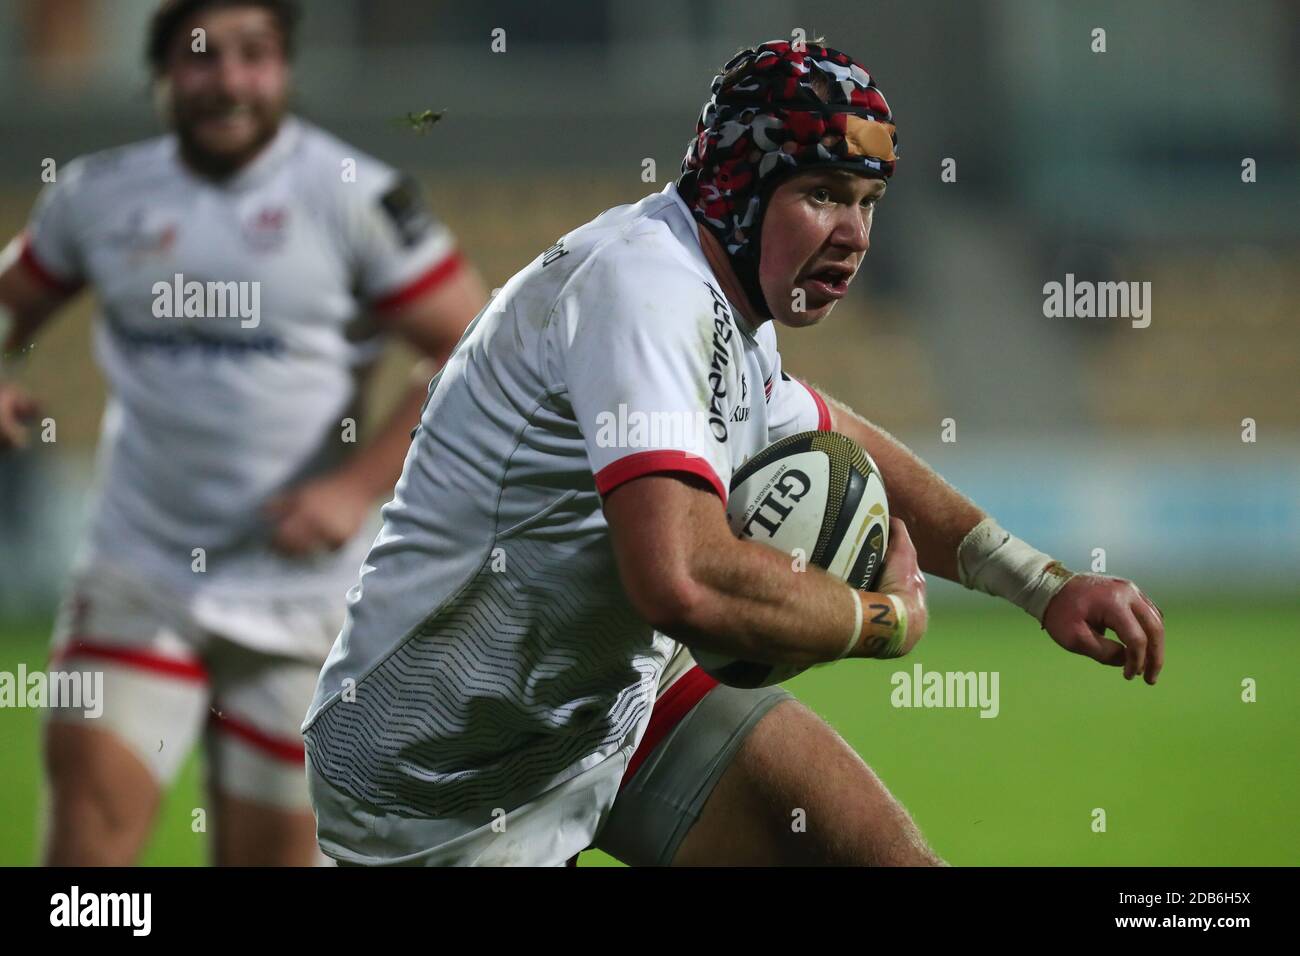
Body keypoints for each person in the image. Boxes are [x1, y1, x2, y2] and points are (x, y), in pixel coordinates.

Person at [301, 39, 1165, 867]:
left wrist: (1040, 584)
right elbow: (684, 582)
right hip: (438, 770)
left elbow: (836, 432)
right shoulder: (646, 289)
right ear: (738, 189)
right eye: (823, 193)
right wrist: (883, 620)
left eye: (868, 201)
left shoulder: (724, 305)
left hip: (603, 706)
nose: (856, 234)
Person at [0, 0, 486, 865]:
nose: (229, 79)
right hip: (140, 569)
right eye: (202, 55)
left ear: (285, 67)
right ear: (161, 73)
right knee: (85, 858)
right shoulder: (98, 194)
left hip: (301, 593)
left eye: (253, 54)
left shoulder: (354, 197)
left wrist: (354, 487)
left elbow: (472, 348)